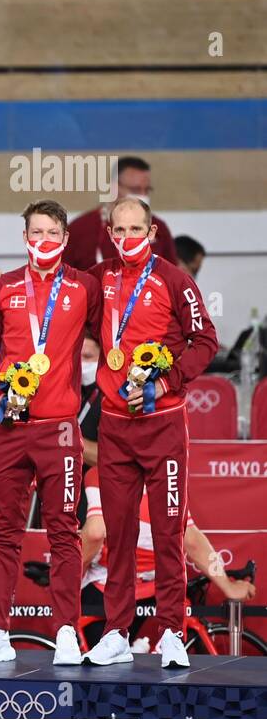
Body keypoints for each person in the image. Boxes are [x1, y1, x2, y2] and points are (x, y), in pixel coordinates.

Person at [81, 196, 219, 668]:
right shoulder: (98, 279)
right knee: (118, 536)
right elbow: (54, 302)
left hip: (163, 427)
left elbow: (206, 341)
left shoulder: (175, 280)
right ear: (109, 232)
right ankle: (117, 632)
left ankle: (172, 634)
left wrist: (165, 381)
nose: (127, 239)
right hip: (116, 427)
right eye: (119, 231)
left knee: (167, 533)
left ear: (153, 231)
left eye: (135, 229)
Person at [0, 199, 101, 666]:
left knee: (64, 531)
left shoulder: (86, 287)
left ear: (64, 239)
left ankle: (65, 631)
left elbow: (114, 334)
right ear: (24, 236)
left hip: (59, 430)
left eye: (51, 233)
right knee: (4, 533)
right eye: (35, 231)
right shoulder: (1, 288)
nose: (42, 240)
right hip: (7, 426)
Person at [80, 466, 255, 649]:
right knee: (167, 658)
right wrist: (228, 587)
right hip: (160, 586)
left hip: (110, 587)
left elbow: (94, 533)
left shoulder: (101, 472)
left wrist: (72, 578)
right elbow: (191, 539)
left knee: (107, 670)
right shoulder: (168, 475)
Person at [64, 158, 178, 270]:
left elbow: (172, 277)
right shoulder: (80, 229)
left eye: (147, 190)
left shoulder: (158, 228)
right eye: (135, 190)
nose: (143, 195)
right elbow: (63, 279)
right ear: (114, 187)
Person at [78, 335, 103, 471]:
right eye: (78, 357)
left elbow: (112, 456)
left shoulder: (109, 398)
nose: (81, 363)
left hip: (94, 487)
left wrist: (66, 438)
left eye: (87, 357)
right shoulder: (72, 389)